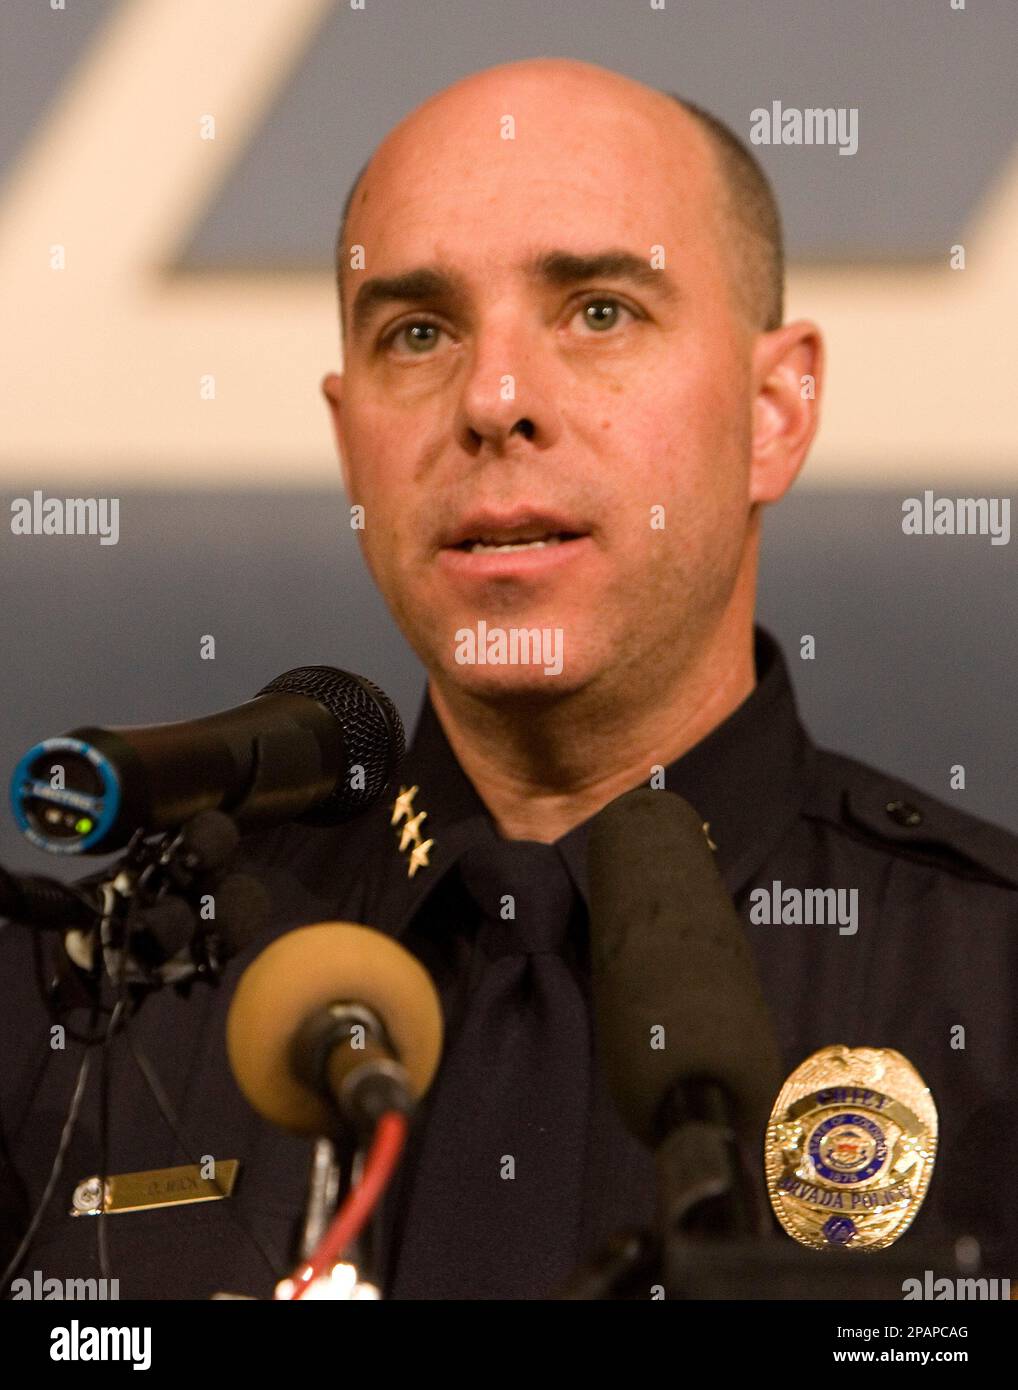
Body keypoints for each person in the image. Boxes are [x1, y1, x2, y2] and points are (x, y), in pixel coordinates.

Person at [2, 58, 1015, 1302]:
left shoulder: (989, 981)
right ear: (347, 439)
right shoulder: (91, 1009)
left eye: (598, 311)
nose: (490, 400)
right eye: (417, 333)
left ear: (773, 411)